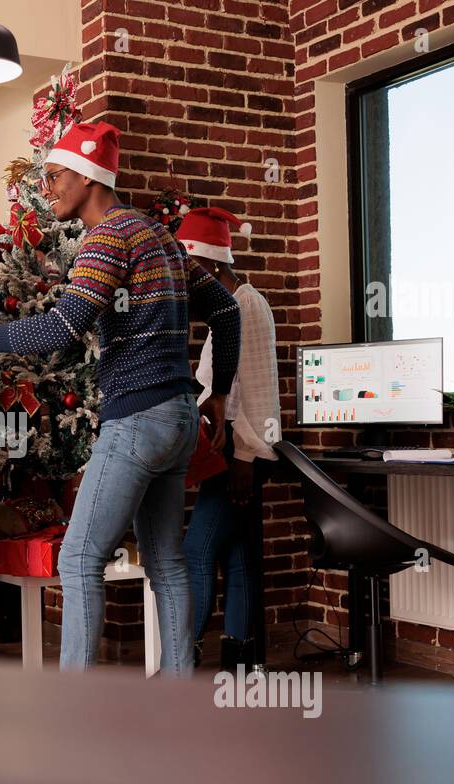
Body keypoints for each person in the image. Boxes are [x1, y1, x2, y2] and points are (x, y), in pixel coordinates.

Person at [0, 122, 242, 676]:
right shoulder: (160, 236)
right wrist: (217, 398)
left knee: (79, 557)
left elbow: (63, 327)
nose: (49, 187)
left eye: (57, 175)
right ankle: (181, 691)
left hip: (136, 419)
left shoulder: (109, 236)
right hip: (179, 420)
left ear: (89, 177)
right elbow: (226, 312)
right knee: (167, 562)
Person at [177, 207, 281, 672]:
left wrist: (243, 457)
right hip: (237, 454)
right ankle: (240, 661)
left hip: (239, 457)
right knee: (237, 556)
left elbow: (250, 390)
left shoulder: (242, 306)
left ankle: (183, 656)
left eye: (190, 277)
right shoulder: (234, 306)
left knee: (197, 550)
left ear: (210, 268)